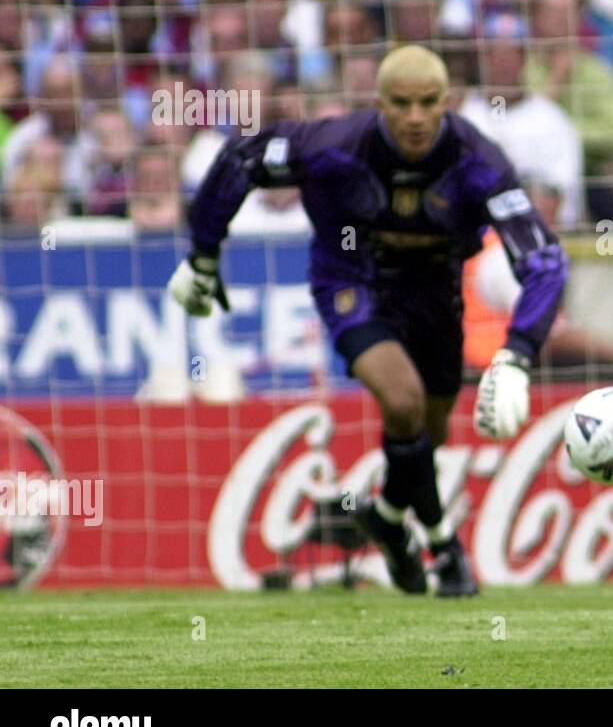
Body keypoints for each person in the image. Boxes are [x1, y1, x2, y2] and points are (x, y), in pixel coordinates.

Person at [168, 45, 568, 597]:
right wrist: (203, 255)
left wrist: (519, 353)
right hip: (353, 286)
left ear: (446, 102)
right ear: (379, 103)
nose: (415, 117)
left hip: (435, 296)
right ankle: (442, 545)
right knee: (401, 402)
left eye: (428, 103)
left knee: (428, 433)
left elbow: (544, 260)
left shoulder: (480, 162)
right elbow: (242, 159)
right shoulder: (332, 145)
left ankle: (388, 519)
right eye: (401, 103)